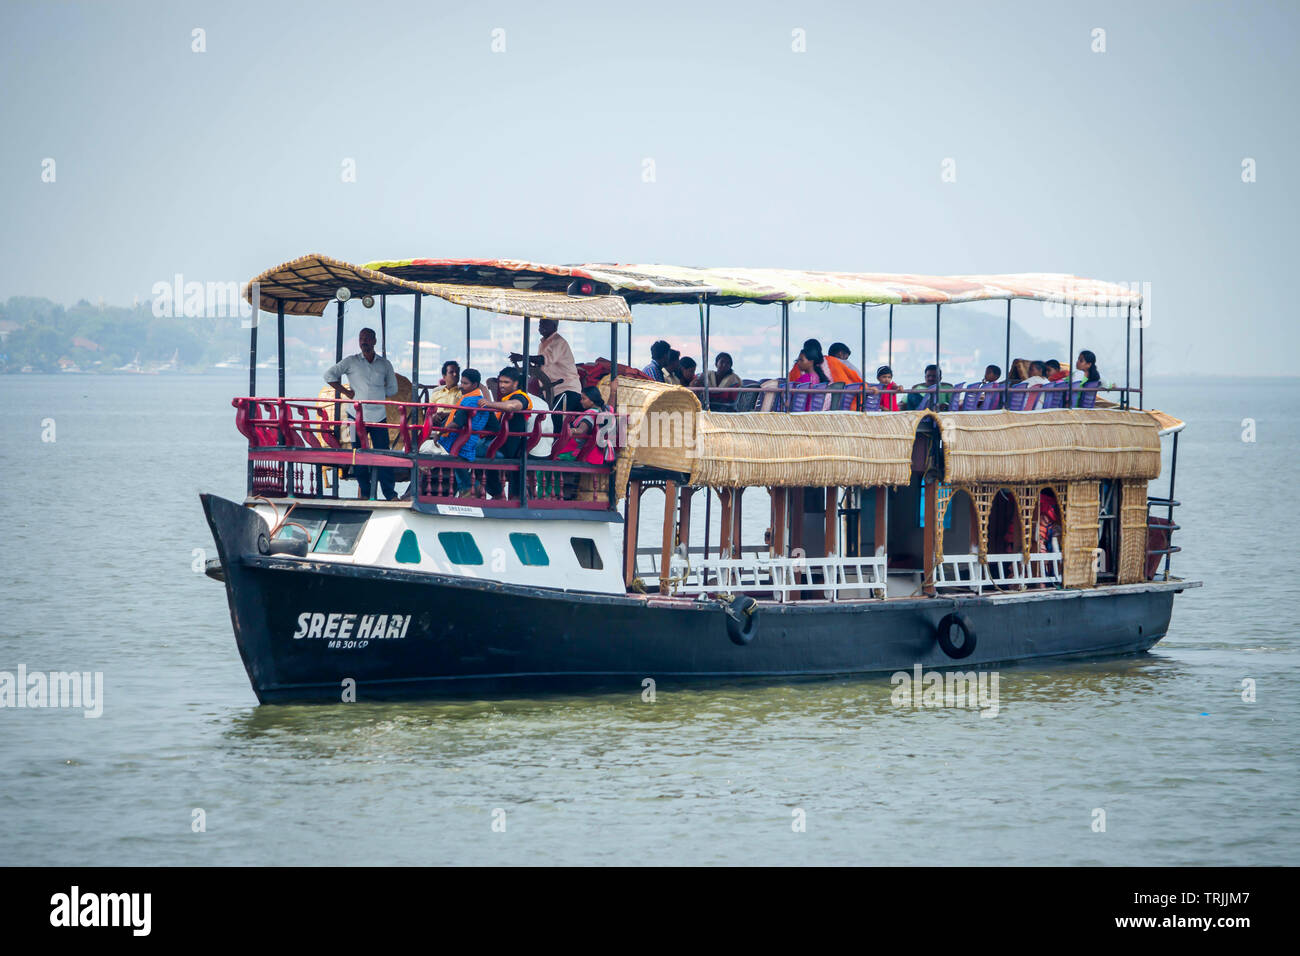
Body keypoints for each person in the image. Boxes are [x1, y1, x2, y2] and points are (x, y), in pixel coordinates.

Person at [324, 327, 399, 500]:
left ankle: (390, 494)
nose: (364, 341)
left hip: (379, 416)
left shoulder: (384, 364)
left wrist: (378, 394)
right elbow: (329, 375)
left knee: (383, 455)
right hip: (355, 417)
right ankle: (365, 493)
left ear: (374, 341)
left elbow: (393, 388)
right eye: (361, 338)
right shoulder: (351, 361)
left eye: (367, 338)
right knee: (357, 455)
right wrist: (346, 392)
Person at [418, 368, 489, 496]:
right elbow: (494, 426)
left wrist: (440, 433)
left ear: (475, 385)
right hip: (467, 439)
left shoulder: (469, 401)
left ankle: (469, 486)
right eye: (461, 383)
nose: (462, 386)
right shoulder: (479, 400)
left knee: (427, 452)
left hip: (461, 440)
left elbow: (457, 423)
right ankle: (469, 486)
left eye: (465, 383)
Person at [512, 319, 581, 415]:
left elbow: (543, 359)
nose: (541, 326)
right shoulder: (543, 344)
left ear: (554, 327)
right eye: (540, 323)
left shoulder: (558, 342)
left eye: (545, 323)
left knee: (557, 420)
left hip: (566, 389)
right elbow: (540, 365)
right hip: (550, 392)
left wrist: (522, 357)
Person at [427, 360, 462, 428]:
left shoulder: (462, 393)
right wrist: (434, 416)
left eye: (457, 372)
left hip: (454, 422)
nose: (455, 374)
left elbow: (463, 413)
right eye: (451, 372)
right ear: (444, 376)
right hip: (437, 421)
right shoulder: (436, 393)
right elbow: (429, 411)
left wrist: (447, 414)